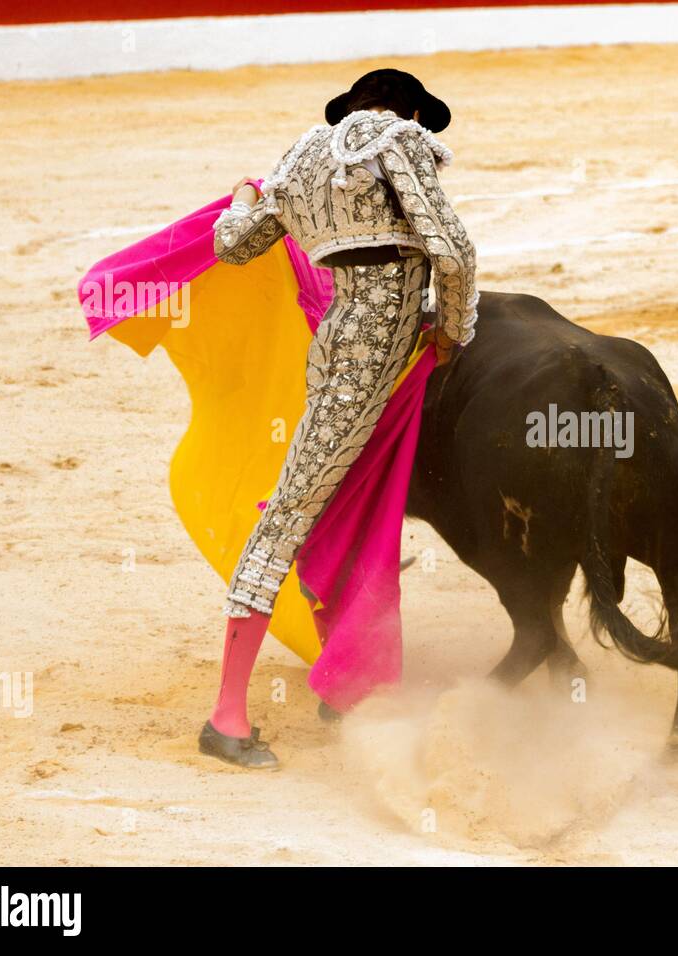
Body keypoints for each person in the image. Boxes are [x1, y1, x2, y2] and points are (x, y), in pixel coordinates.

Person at [200, 68, 477, 769]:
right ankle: (225, 718)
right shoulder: (396, 139)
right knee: (288, 516)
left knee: (325, 499)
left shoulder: (299, 158)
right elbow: (453, 251)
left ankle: (349, 671)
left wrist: (245, 194)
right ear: (412, 113)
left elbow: (232, 244)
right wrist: (453, 333)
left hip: (335, 340)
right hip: (371, 356)